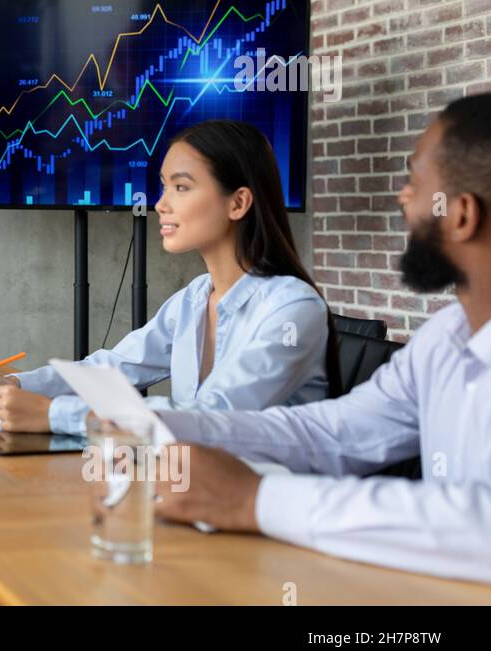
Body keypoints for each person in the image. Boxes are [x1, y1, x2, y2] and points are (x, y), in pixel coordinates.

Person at [154, 96, 491, 585]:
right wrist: (167, 424)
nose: (403, 198)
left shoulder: (291, 304)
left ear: (460, 215)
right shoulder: (445, 337)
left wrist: (253, 499)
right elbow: (332, 433)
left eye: (414, 182)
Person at [0, 120, 339, 434]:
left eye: (181, 187)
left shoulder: (292, 309)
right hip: (189, 490)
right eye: (163, 186)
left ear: (238, 202)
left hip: (264, 505)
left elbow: (214, 416)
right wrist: (13, 385)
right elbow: (112, 369)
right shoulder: (193, 299)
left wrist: (53, 415)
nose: (160, 203)